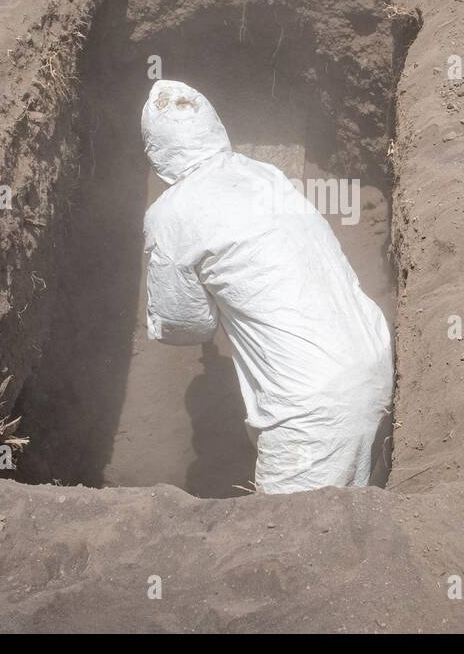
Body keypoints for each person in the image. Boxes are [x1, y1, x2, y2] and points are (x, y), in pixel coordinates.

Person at [140, 79, 393, 494]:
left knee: (289, 544)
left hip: (311, 411)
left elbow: (184, 325)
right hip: (372, 364)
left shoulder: (171, 213)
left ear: (155, 150)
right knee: (360, 530)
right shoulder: (264, 174)